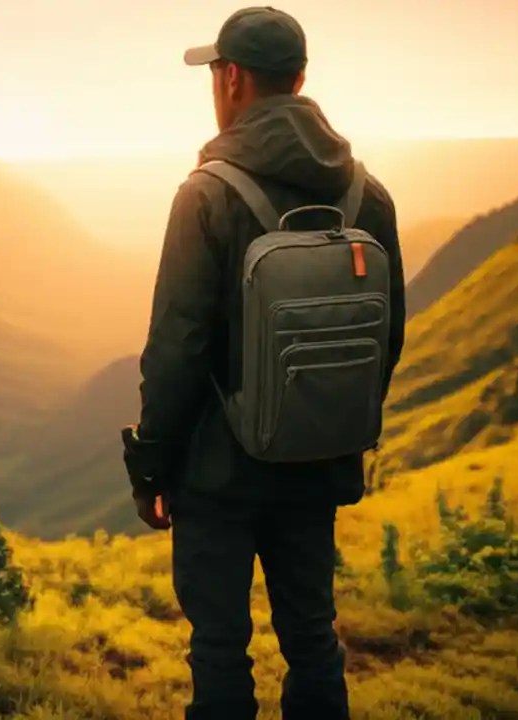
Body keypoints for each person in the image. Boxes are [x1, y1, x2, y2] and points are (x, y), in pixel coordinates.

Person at [121, 7, 406, 719]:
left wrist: (152, 462)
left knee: (219, 647)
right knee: (312, 638)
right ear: (301, 78)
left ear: (232, 78)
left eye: (217, 71)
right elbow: (388, 336)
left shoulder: (208, 194)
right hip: (314, 461)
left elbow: (177, 346)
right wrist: (329, 426)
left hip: (217, 472)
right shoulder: (366, 194)